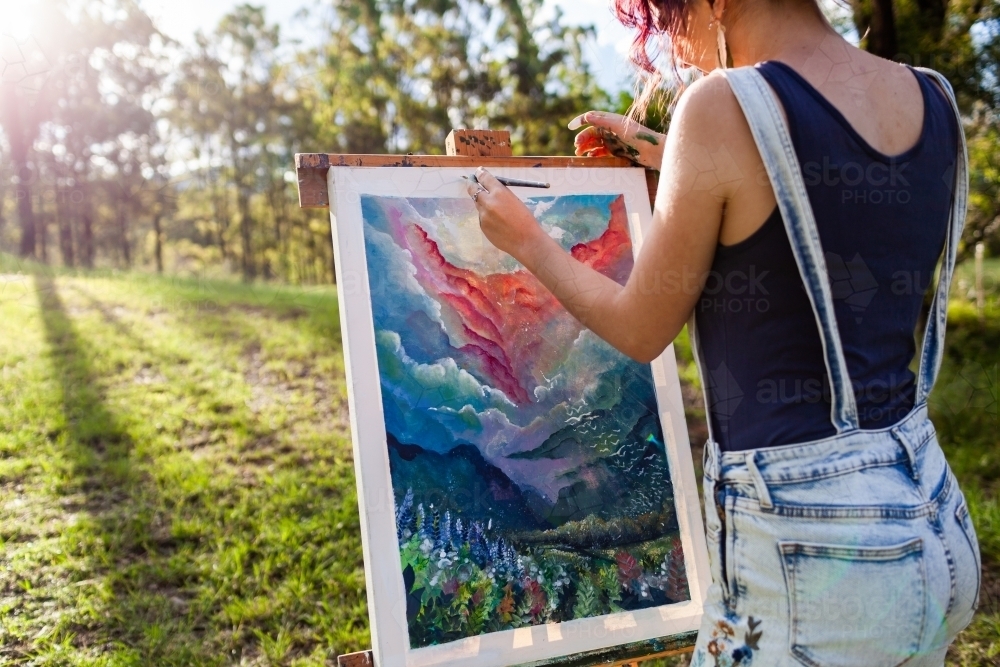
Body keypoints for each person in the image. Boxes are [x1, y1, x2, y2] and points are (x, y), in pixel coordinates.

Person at [464, 0, 981, 663]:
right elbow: (831, 224)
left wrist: (527, 239)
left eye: (669, 14)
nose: (674, 42)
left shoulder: (720, 106)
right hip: (931, 519)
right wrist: (674, 168)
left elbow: (639, 327)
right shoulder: (929, 95)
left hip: (813, 553)